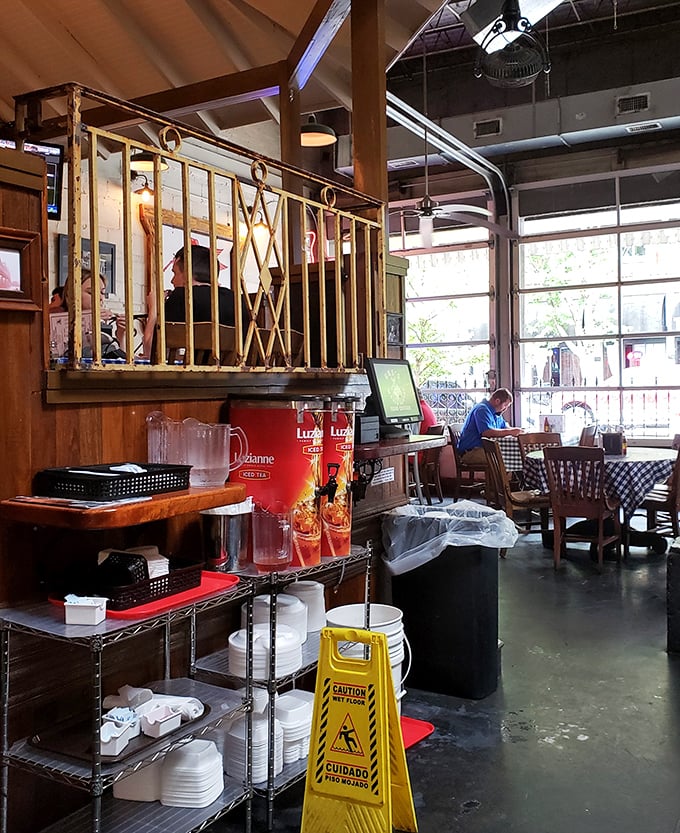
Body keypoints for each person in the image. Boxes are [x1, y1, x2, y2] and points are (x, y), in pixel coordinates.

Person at [143, 244, 243, 358]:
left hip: (195, 375)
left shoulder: (182, 297)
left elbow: (151, 351)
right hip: (242, 374)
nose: (172, 281)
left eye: (175, 273)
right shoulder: (238, 301)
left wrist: (154, 309)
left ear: (187, 273)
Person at [457, 387, 524, 467]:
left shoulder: (496, 413)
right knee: (509, 457)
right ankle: (502, 479)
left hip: (483, 449)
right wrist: (511, 432)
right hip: (471, 451)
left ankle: (509, 479)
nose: (505, 409)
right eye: (505, 405)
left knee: (517, 455)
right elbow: (487, 432)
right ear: (497, 401)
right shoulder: (482, 409)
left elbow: (504, 427)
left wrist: (517, 431)